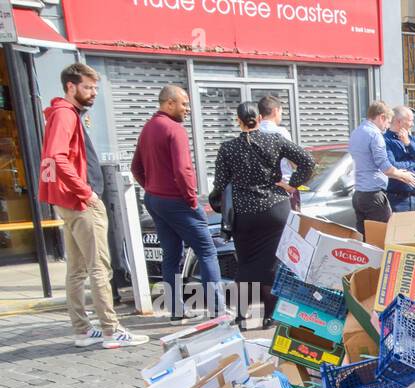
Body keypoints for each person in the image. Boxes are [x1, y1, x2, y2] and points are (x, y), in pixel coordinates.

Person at [41, 63, 147, 348]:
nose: (93, 93)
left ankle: (82, 329)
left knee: (77, 268)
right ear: (71, 86)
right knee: (100, 267)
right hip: (80, 201)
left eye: (95, 88)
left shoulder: (63, 113)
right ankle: (111, 330)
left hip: (71, 201)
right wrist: (86, 192)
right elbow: (56, 157)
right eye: (88, 88)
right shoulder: (65, 114)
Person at [209, 101, 314, 329]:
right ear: (259, 119)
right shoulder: (275, 140)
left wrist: (219, 204)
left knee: (246, 264)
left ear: (238, 121)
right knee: (272, 265)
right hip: (275, 209)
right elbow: (307, 161)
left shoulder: (228, 148)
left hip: (245, 214)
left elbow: (219, 186)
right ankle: (270, 316)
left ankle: (242, 316)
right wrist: (291, 185)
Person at [132, 84, 224, 323]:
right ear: (169, 103)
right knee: (206, 251)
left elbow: (136, 168)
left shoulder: (148, 128)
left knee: (171, 255)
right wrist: (191, 199)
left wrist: (152, 187)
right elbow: (183, 170)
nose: (187, 109)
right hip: (176, 200)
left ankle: (176, 308)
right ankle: (217, 311)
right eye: (184, 103)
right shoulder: (174, 129)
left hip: (154, 199)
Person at [348, 101, 415, 230]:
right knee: (383, 237)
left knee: (365, 238)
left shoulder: (356, 132)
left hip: (358, 194)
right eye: (388, 122)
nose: (387, 127)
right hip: (373, 195)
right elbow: (384, 166)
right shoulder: (375, 135)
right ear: (381, 117)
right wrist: (403, 175)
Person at [256, 95, 300, 211]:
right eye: (281, 112)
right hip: (283, 188)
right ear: (275, 111)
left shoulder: (253, 133)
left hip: (258, 191)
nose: (281, 116)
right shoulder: (281, 132)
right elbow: (295, 162)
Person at [383, 106, 415, 212]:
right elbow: (392, 166)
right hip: (397, 201)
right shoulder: (385, 141)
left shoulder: (413, 140)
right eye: (410, 120)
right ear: (399, 121)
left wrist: (408, 144)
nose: (412, 124)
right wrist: (414, 162)